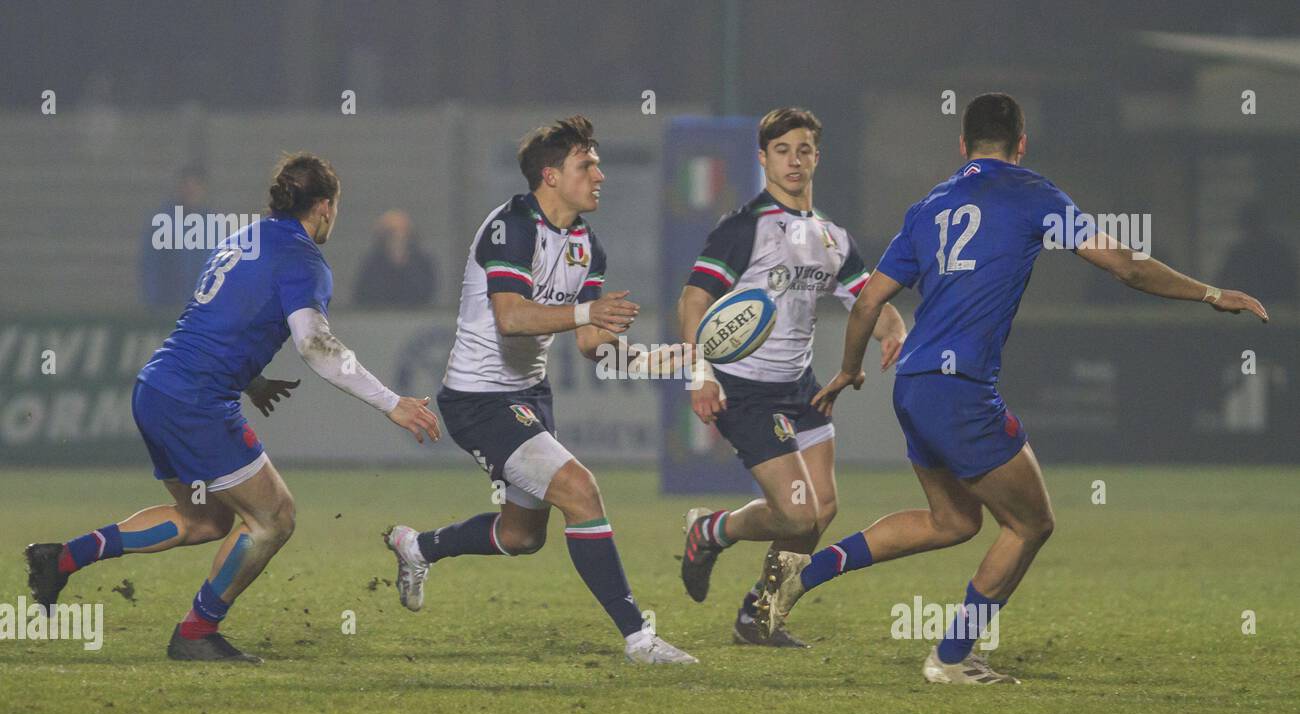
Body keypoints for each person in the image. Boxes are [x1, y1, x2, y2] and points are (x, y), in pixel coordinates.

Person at [757, 93, 1269, 683]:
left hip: (915, 384)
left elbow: (870, 298)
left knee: (952, 521)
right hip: (960, 390)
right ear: (1021, 145)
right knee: (1032, 523)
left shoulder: (929, 207)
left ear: (962, 146)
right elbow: (1124, 265)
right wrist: (1210, 294)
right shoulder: (1032, 193)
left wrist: (848, 370)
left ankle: (805, 572)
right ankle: (951, 658)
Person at [26, 153, 441, 664]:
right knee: (274, 518)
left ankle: (61, 558)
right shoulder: (303, 259)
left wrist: (253, 379)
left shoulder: (241, 239)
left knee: (202, 520)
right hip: (196, 400)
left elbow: (220, 321)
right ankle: (196, 633)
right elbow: (317, 347)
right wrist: (391, 402)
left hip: (157, 387)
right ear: (326, 206)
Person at [382, 115, 697, 664]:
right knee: (582, 491)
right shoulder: (512, 225)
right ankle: (638, 639)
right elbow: (510, 318)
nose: (599, 174)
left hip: (529, 397)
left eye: (596, 162)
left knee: (523, 535)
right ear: (550, 175)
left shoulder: (587, 247)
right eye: (587, 164)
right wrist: (584, 311)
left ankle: (418, 546)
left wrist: (656, 361)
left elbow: (591, 344)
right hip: (479, 401)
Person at [675, 107, 907, 647]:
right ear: (763, 159)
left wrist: (891, 328)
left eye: (804, 149)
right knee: (797, 513)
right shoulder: (743, 228)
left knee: (821, 511)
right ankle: (711, 530)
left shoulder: (831, 237)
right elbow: (693, 300)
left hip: (802, 387)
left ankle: (758, 617)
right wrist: (698, 375)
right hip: (746, 390)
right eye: (782, 151)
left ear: (816, 157)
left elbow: (871, 299)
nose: (794, 160)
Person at [139, 164, 216, 308]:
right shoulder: (162, 222)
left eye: (195, 186)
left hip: (201, 309)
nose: (190, 191)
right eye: (186, 186)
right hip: (166, 306)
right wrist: (152, 302)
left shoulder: (212, 225)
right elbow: (150, 265)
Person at [351, 209, 440, 307]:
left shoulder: (422, 261)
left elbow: (426, 292)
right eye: (391, 233)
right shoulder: (372, 263)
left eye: (402, 232)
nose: (398, 238)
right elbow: (364, 293)